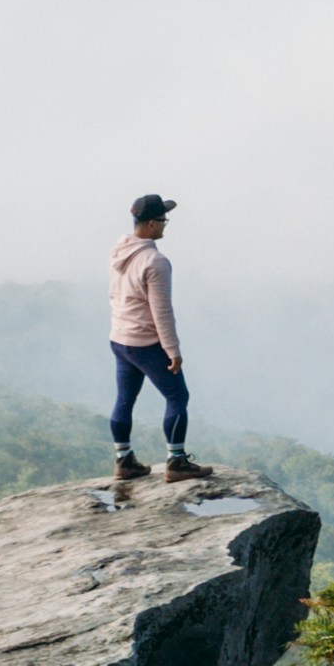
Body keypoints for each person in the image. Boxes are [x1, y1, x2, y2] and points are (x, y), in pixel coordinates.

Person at [108, 193, 203, 482]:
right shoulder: (155, 261)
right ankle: (176, 463)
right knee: (178, 396)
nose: (165, 225)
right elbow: (161, 311)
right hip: (145, 343)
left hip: (120, 339)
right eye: (163, 220)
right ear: (150, 224)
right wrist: (173, 351)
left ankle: (124, 461)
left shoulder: (119, 251)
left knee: (125, 399)